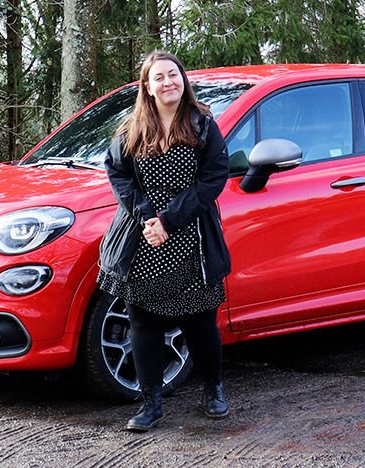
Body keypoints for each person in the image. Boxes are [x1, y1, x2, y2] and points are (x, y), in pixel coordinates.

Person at [96, 50, 232, 432]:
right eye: (159, 77)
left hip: (191, 235)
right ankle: (151, 403)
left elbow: (214, 177)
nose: (168, 82)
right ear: (148, 86)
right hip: (142, 235)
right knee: (143, 323)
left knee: (200, 321)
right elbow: (117, 173)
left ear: (183, 80)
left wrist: (170, 221)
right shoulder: (131, 128)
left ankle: (213, 390)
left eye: (173, 75)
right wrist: (147, 218)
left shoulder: (202, 124)